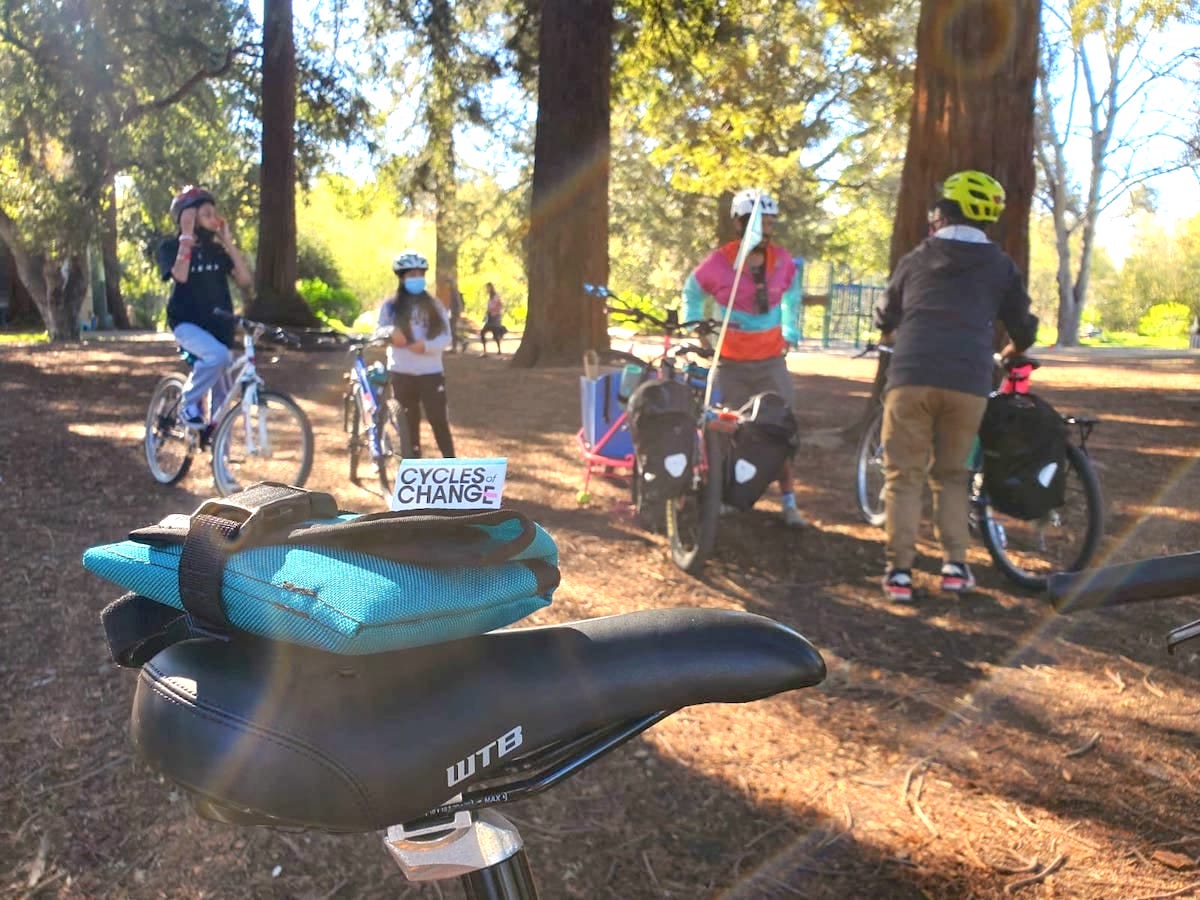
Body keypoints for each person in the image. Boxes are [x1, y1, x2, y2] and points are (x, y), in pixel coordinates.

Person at [874, 170, 1039, 602]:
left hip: (911, 378)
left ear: (943, 214)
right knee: (952, 476)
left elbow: (885, 313)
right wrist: (1009, 352)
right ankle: (954, 567)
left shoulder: (917, 258)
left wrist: (894, 331)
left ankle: (899, 574)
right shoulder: (1000, 265)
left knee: (903, 476)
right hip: (968, 382)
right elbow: (1023, 326)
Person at [682, 188, 806, 528]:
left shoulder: (782, 261)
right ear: (739, 224)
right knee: (724, 429)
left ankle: (789, 503)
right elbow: (692, 292)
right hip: (729, 364)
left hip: (771, 362)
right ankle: (724, 495)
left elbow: (792, 297)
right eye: (757, 222)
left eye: (770, 222)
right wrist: (697, 327)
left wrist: (790, 332)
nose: (765, 230)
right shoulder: (720, 262)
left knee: (779, 429)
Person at [157, 186, 254, 428]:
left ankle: (218, 447)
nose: (214, 219)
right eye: (207, 214)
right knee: (217, 356)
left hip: (220, 327)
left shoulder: (217, 251)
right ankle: (187, 403)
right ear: (188, 216)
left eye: (215, 214)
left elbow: (245, 281)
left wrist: (228, 242)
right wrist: (186, 235)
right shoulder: (169, 247)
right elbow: (180, 275)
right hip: (187, 323)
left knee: (223, 396)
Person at [377, 250, 455, 458]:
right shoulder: (390, 306)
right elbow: (378, 331)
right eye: (412, 275)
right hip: (401, 373)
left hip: (431, 373)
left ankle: (451, 465)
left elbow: (446, 337)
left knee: (439, 421)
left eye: (420, 274)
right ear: (402, 278)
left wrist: (426, 346)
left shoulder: (435, 306)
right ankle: (413, 469)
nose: (417, 279)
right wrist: (390, 333)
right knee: (408, 425)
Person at [480, 282, 506, 356]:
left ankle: (499, 350)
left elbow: (501, 305)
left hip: (495, 318)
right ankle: (485, 351)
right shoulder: (490, 297)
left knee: (495, 334)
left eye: (488, 288)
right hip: (490, 317)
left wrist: (495, 310)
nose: (487, 289)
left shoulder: (496, 296)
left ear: (491, 288)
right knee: (483, 333)